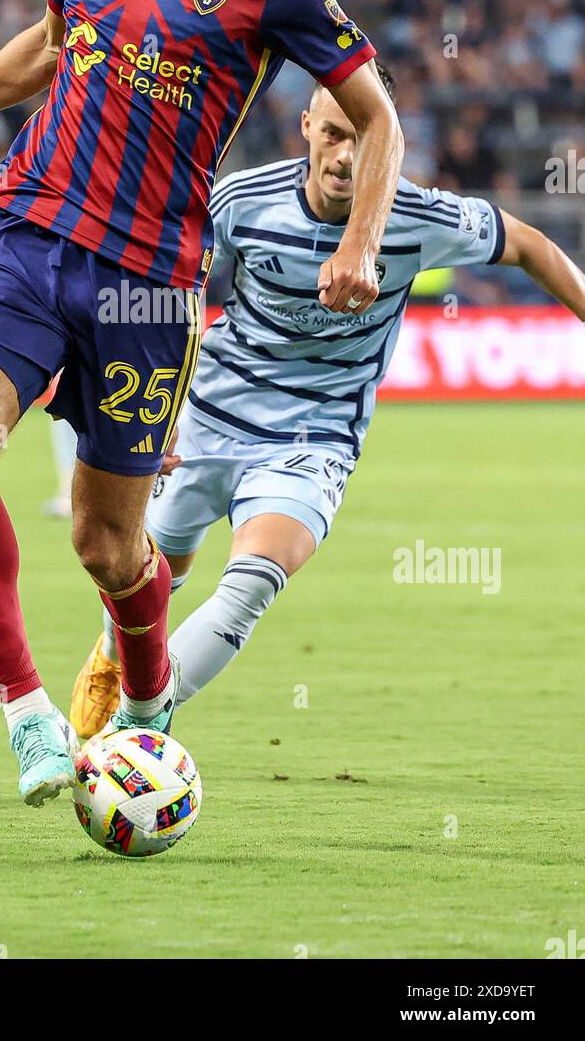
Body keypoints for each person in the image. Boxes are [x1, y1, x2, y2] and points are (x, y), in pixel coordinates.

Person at [0, 0, 403, 808]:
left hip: (147, 282)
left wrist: (358, 240)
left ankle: (142, 701)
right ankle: (27, 712)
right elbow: (49, 47)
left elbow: (377, 117)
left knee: (108, 543)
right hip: (27, 229)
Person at [70, 62, 585, 733]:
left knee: (251, 583)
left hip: (312, 441)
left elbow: (529, 244)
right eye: (333, 134)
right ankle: (114, 650)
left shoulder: (417, 216)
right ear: (306, 126)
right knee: (146, 575)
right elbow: (175, 283)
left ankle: (137, 731)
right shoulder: (242, 198)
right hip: (205, 421)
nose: (346, 157)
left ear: (389, 143)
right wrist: (158, 399)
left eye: (364, 140)